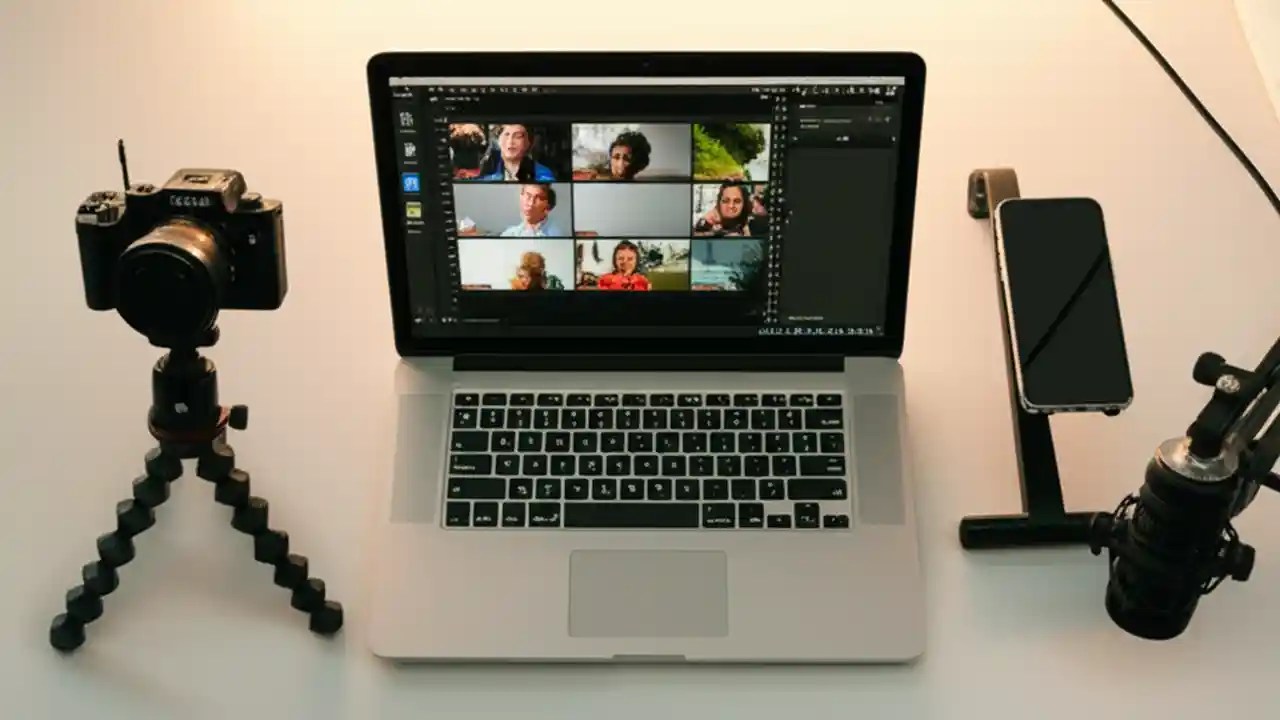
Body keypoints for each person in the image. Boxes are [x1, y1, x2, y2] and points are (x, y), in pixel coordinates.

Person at [479, 124, 557, 181]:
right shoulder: (487, 172)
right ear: (498, 140)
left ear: (529, 142)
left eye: (518, 136)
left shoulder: (543, 174)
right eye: (506, 135)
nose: (510, 142)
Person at [500, 183, 567, 237]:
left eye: (538, 199)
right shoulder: (509, 234)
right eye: (528, 196)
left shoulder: (556, 234)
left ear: (548, 207)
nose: (531, 203)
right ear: (521, 196)